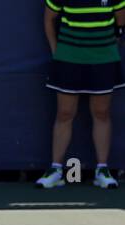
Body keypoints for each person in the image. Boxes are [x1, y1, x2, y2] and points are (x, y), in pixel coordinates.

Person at [37, 0, 125, 189]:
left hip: (103, 60)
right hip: (69, 59)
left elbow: (121, 21)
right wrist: (56, 51)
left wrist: (108, 47)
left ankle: (102, 171)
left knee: (101, 113)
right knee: (65, 113)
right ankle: (56, 170)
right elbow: (48, 19)